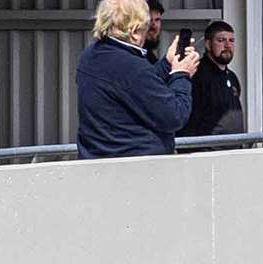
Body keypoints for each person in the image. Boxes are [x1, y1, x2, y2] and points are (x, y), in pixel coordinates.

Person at [74, 0, 196, 161]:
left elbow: (134, 87)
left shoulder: (90, 55)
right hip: (136, 168)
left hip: (98, 161)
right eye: (145, 27)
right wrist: (181, 74)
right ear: (133, 32)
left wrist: (167, 63)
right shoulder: (132, 66)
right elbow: (174, 116)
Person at [181, 20, 243, 136]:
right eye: (221, 40)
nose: (228, 45)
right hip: (206, 151)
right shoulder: (196, 74)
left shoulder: (232, 77)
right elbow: (187, 118)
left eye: (231, 41)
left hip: (235, 149)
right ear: (208, 44)